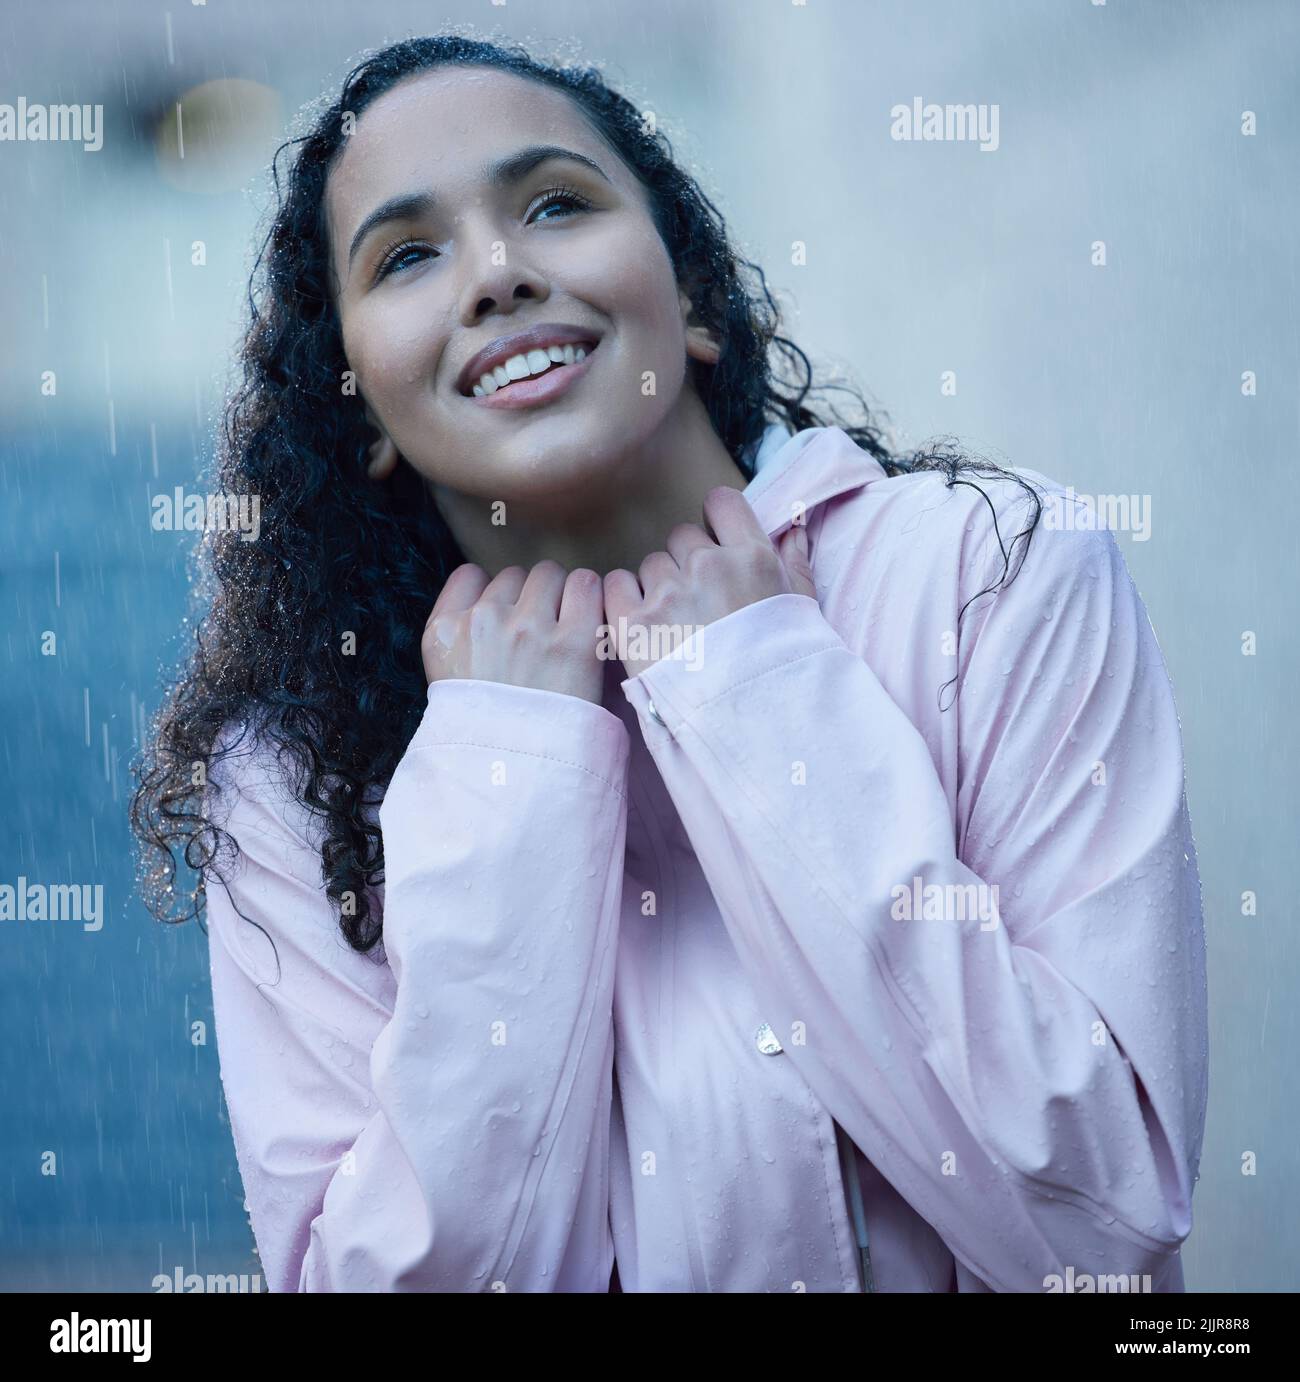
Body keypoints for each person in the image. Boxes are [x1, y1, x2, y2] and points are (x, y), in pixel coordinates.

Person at [131, 34, 1208, 1293]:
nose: (497, 273)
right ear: (359, 406)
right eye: (409, 254)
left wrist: (752, 689)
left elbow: (1108, 1220)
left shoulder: (991, 572)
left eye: (554, 204)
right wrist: (508, 772)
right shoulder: (289, 775)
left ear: (689, 296)